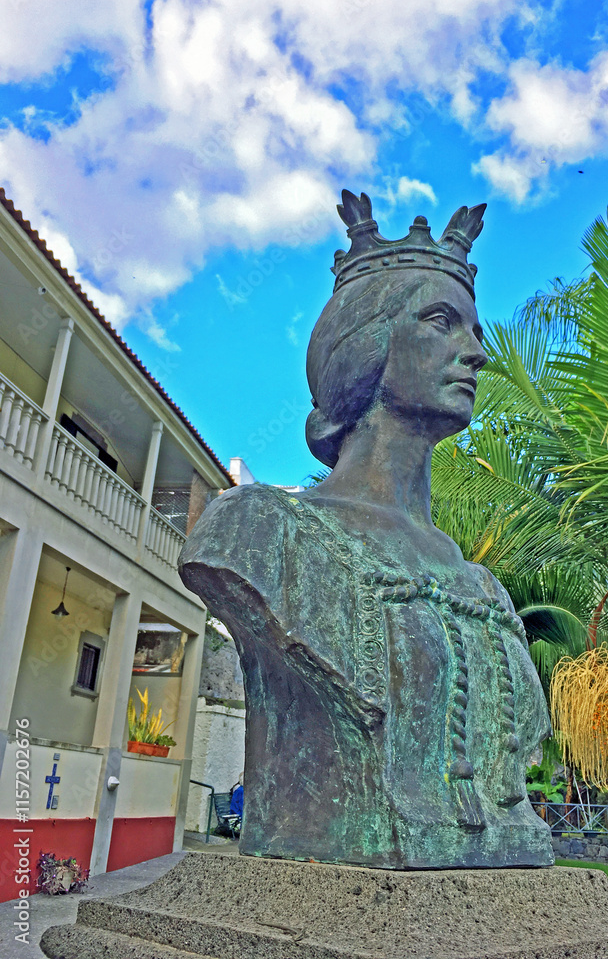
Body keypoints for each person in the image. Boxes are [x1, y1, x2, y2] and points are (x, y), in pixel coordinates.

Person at [179, 192, 553, 869]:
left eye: (475, 331)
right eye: (442, 322)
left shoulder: (484, 588)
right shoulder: (262, 532)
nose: (476, 354)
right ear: (366, 343)